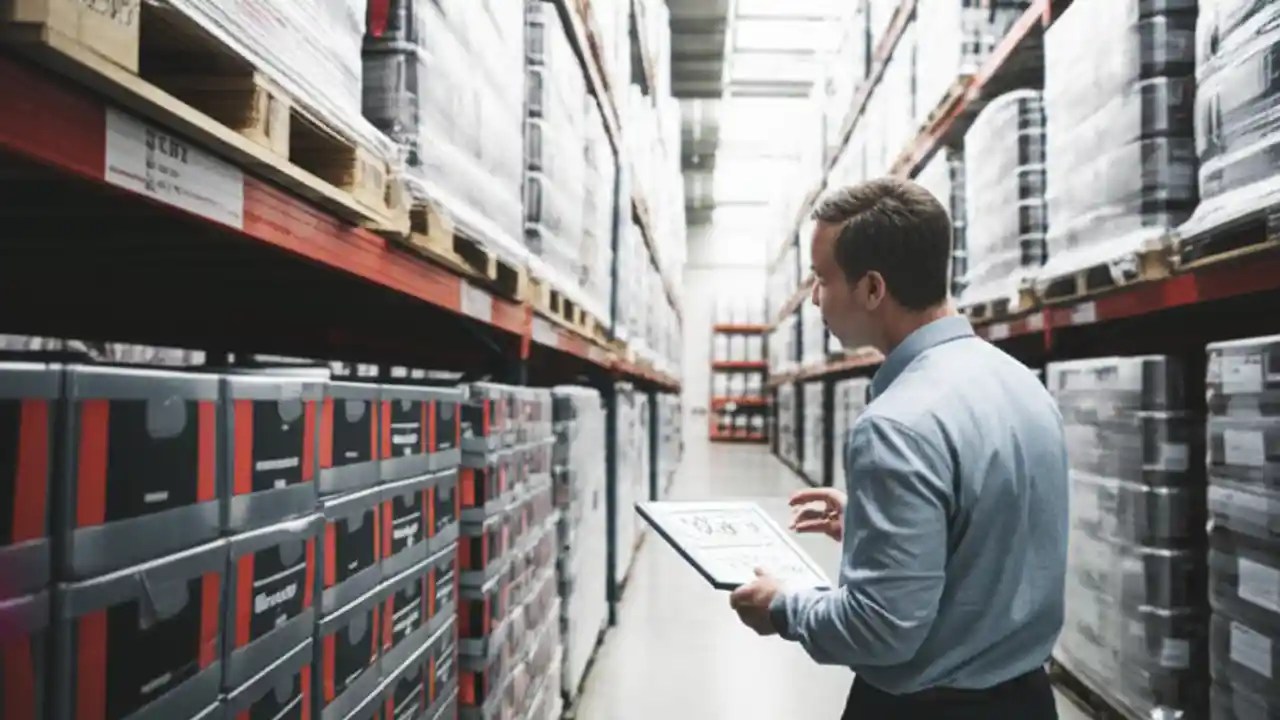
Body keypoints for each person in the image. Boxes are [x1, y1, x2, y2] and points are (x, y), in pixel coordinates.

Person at [728, 178, 1069, 718]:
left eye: (822, 278)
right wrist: (874, 524)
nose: (815, 297)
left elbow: (880, 629)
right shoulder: (1021, 382)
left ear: (871, 289)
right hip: (1026, 698)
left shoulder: (896, 424)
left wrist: (783, 607)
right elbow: (996, 536)